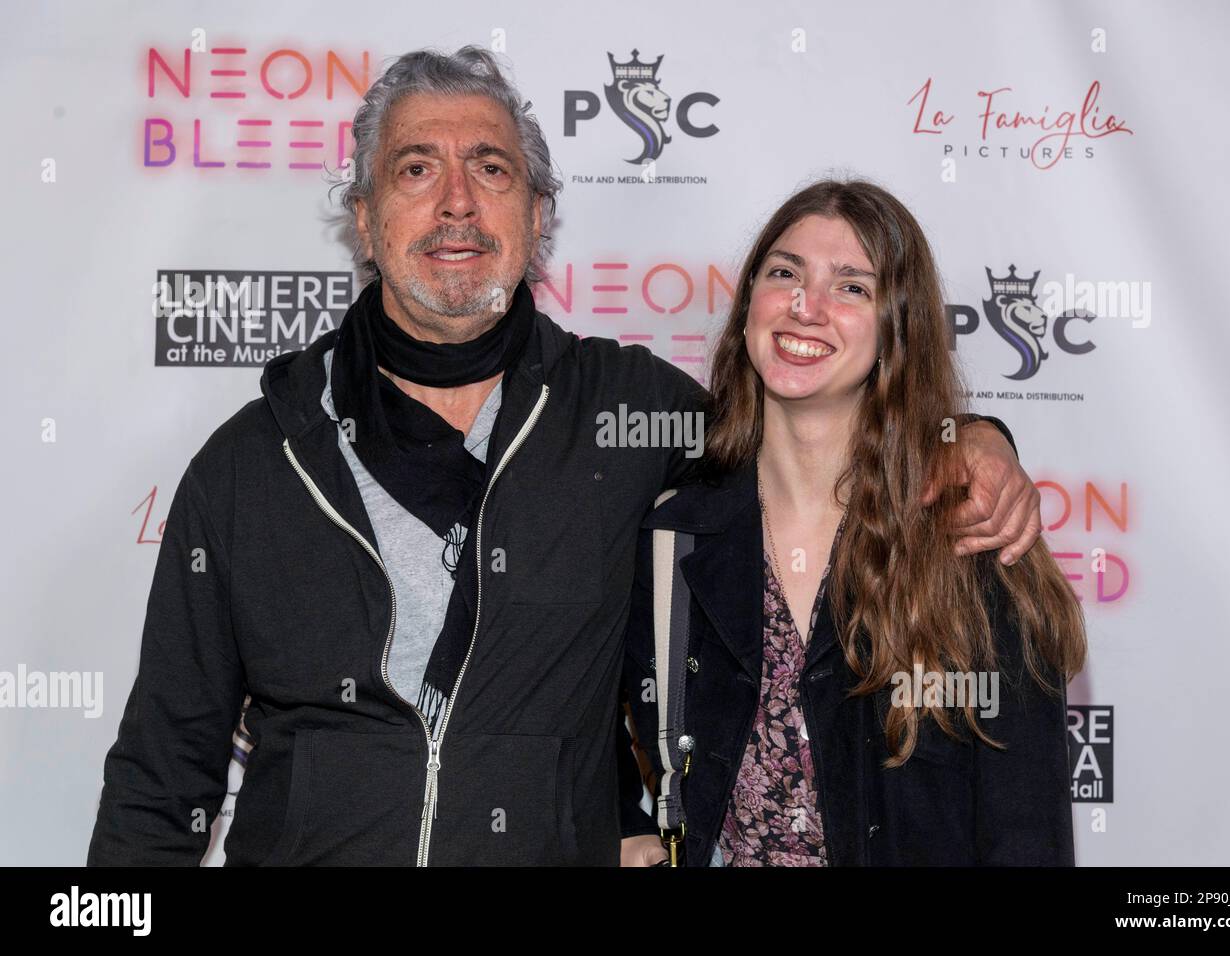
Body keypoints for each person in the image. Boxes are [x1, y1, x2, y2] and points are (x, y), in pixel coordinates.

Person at [88, 48, 1041, 866]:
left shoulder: (630, 415)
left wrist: (974, 441)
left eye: (492, 170)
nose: (458, 202)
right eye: (417, 169)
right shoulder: (251, 466)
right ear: (365, 218)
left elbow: (805, 429)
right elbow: (163, 772)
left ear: (540, 214)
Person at [620, 179, 1086, 866]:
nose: (806, 307)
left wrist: (978, 435)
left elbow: (1027, 837)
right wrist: (621, 823)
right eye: (784, 274)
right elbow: (560, 705)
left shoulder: (972, 540)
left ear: (899, 329)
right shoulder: (673, 537)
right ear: (750, 301)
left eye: (851, 288)